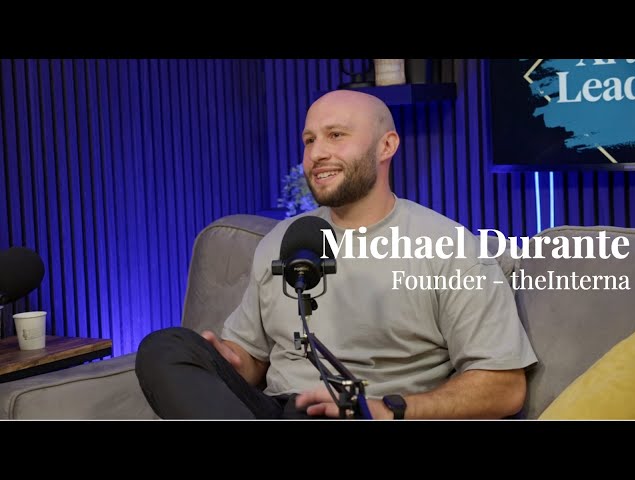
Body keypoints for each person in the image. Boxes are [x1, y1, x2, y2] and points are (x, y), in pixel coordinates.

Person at [135, 89, 538, 419]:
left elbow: (504, 386)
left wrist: (388, 410)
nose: (316, 154)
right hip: (278, 410)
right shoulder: (283, 239)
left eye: (336, 135)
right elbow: (252, 358)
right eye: (309, 140)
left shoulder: (448, 246)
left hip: (364, 412)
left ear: (386, 145)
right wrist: (229, 360)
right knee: (166, 347)